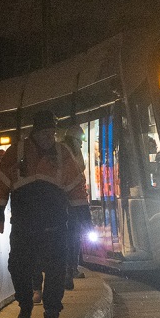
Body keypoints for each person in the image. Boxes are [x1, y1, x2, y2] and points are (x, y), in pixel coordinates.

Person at [0, 110, 89, 318]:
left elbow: (75, 184)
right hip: (24, 225)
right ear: (35, 132)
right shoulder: (17, 152)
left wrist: (83, 215)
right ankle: (25, 307)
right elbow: (2, 182)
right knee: (18, 267)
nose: (49, 137)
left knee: (56, 270)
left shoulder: (62, 153)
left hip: (54, 224)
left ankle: (51, 315)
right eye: (45, 133)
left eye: (52, 133)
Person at [61, 122, 91, 291]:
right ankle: (69, 269)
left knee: (72, 237)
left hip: (70, 203)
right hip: (69, 203)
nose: (81, 144)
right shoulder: (67, 153)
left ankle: (70, 268)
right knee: (71, 237)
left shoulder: (71, 152)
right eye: (79, 140)